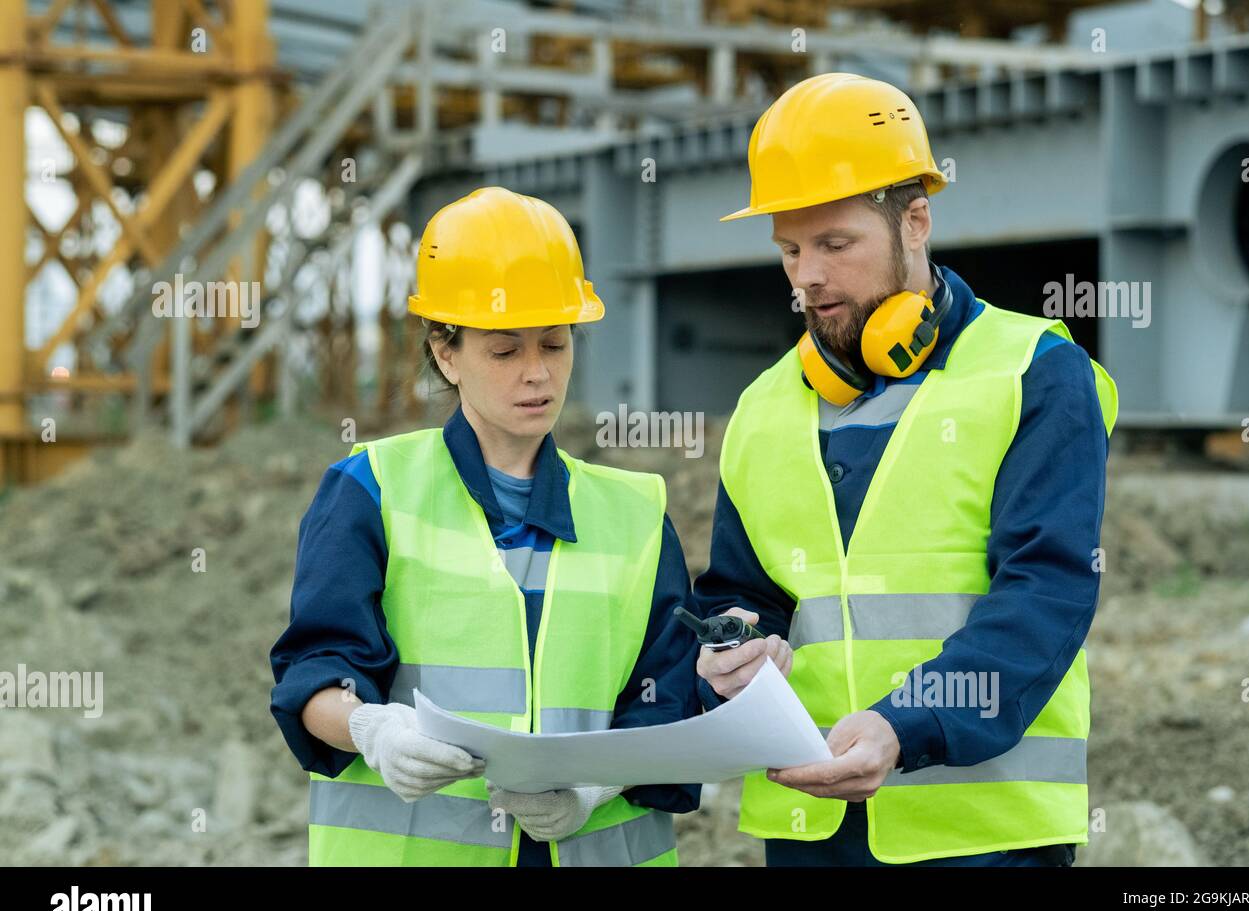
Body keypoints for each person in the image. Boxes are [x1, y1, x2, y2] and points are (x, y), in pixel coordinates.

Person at [694, 73, 1119, 867]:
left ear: (915, 221)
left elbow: (1046, 589)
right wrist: (734, 646)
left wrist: (906, 724)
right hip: (809, 828)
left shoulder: (1035, 371)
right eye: (790, 249)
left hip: (987, 839)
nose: (806, 277)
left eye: (834, 244)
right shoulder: (763, 407)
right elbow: (744, 593)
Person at [270, 186, 701, 866]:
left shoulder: (637, 514)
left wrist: (597, 784)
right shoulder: (369, 491)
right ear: (446, 352)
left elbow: (668, 695)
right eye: (504, 352)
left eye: (555, 346)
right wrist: (371, 728)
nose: (538, 375)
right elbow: (314, 672)